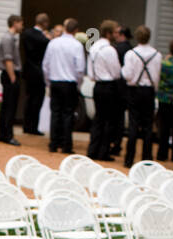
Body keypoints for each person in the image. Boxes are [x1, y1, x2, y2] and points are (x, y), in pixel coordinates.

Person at [121, 26, 160, 167]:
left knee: (133, 124)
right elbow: (156, 77)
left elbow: (127, 75)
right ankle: (147, 159)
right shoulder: (157, 55)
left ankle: (129, 159)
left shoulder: (131, 54)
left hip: (134, 90)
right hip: (149, 91)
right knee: (148, 126)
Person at [44, 18, 83, 154]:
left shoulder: (53, 43)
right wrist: (78, 84)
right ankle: (66, 145)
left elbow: (46, 65)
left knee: (55, 113)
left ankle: (53, 143)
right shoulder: (77, 45)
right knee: (68, 114)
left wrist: (48, 81)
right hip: (69, 83)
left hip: (55, 81)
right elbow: (80, 69)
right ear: (76, 31)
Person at [86, 19, 123, 161]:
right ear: (108, 33)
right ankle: (103, 152)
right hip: (108, 86)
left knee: (98, 119)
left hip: (97, 86)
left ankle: (92, 149)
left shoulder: (93, 47)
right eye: (114, 32)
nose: (116, 35)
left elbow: (90, 72)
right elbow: (116, 72)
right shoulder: (109, 50)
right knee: (108, 120)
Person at [21, 13, 50, 136]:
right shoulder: (43, 39)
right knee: (37, 99)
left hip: (28, 70)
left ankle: (27, 124)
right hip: (38, 72)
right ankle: (33, 126)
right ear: (44, 23)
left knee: (29, 99)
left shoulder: (26, 33)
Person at [0, 15, 23, 146]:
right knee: (10, 106)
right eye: (20, 23)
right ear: (15, 23)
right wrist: (12, 76)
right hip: (10, 74)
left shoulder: (12, 38)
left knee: (8, 105)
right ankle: (7, 135)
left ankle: (4, 134)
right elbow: (8, 59)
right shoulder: (8, 39)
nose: (22, 26)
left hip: (9, 74)